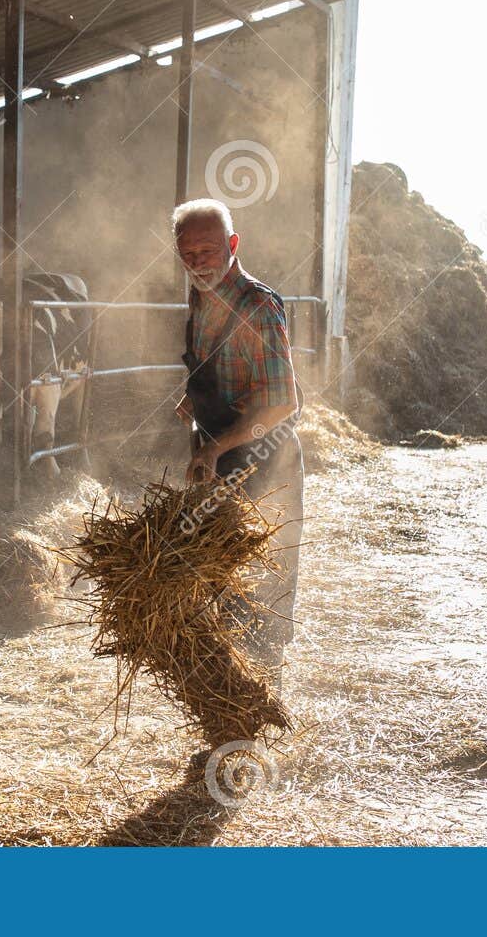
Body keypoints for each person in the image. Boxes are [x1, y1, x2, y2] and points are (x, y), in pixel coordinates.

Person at [171, 197, 303, 673]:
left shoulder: (259, 307)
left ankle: (259, 713)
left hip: (266, 463)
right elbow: (216, 374)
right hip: (219, 462)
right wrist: (194, 401)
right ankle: (226, 722)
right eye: (186, 254)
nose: (196, 262)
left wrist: (218, 445)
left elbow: (283, 402)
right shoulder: (199, 298)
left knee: (262, 590)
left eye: (206, 250)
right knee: (217, 586)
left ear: (233, 244)